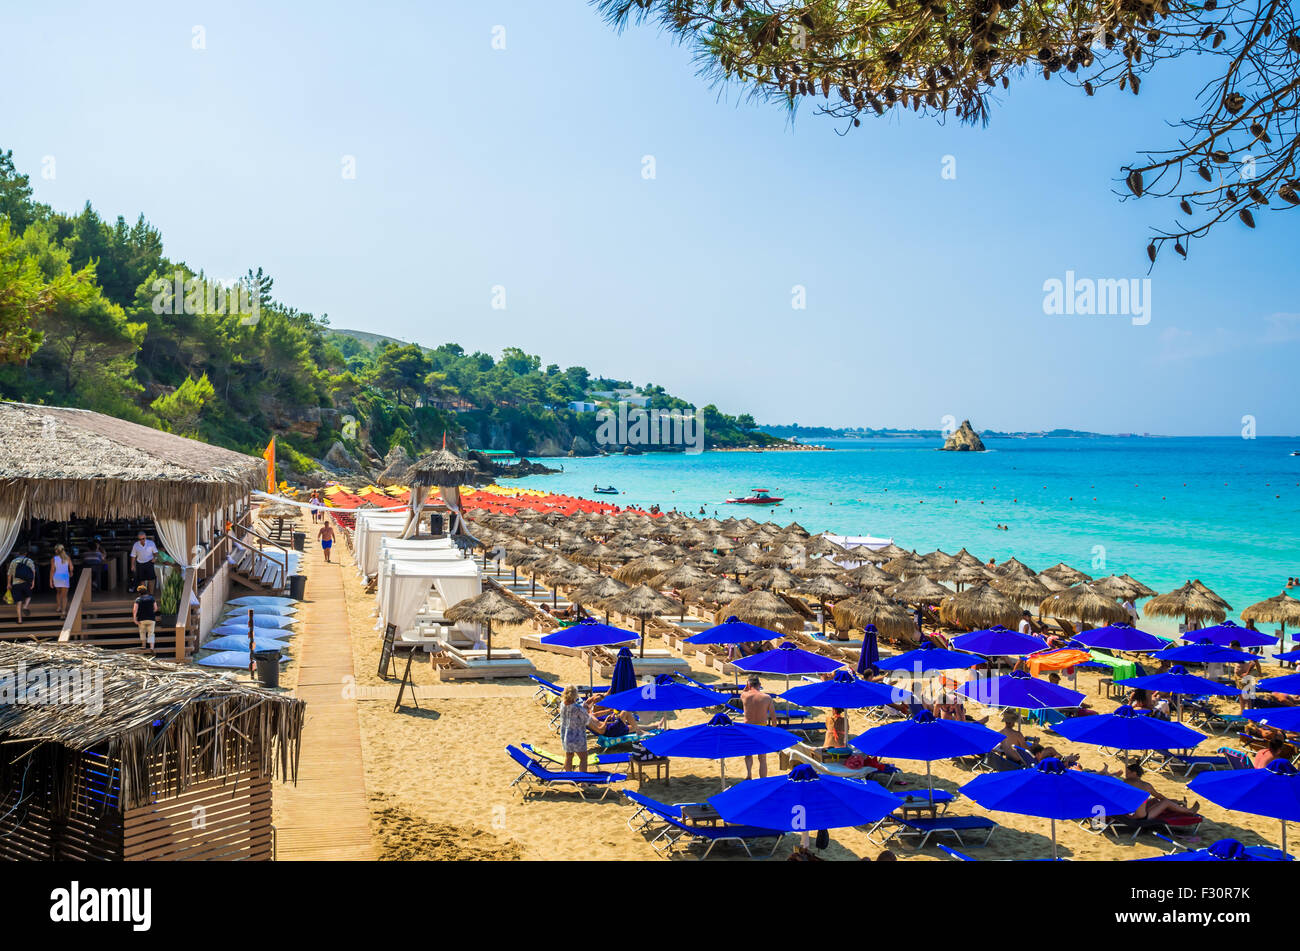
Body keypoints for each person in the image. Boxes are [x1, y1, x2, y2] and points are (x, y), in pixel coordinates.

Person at [1105, 762, 1200, 821]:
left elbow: (1107, 778)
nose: (1126, 774)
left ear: (1134, 773)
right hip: (1140, 816)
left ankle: (1179, 804)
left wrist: (1115, 773)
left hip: (1127, 812)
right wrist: (1171, 801)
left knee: (1155, 801)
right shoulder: (1146, 786)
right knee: (1165, 802)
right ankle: (1189, 811)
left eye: (1128, 772)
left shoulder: (1123, 782)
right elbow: (1161, 797)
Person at [740, 675, 776, 779]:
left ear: (749, 684)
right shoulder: (767, 698)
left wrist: (746, 687)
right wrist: (772, 732)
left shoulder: (744, 695)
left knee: (748, 754)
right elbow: (774, 719)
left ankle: (749, 774)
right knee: (762, 758)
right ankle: (763, 779)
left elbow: (744, 691)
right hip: (762, 729)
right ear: (760, 685)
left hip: (748, 729)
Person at [558, 685, 591, 772]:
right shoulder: (578, 708)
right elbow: (587, 721)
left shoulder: (562, 705)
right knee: (583, 758)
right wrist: (587, 710)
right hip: (578, 737)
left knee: (569, 757)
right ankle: (584, 781)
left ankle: (569, 778)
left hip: (566, 736)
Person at [6, 551, 37, 623]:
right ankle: (25, 606)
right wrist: (33, 582)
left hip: (16, 584)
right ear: (25, 554)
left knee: (18, 602)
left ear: (18, 554)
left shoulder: (13, 561)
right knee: (29, 596)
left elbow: (9, 574)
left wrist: (8, 584)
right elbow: (33, 572)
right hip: (26, 582)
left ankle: (20, 620)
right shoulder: (29, 561)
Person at [133, 583, 157, 652]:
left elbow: (135, 610)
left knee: (142, 632)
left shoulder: (138, 600)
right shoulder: (151, 598)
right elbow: (155, 608)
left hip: (141, 619)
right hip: (151, 619)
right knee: (151, 633)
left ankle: (143, 646)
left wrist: (134, 619)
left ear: (139, 593)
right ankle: (151, 647)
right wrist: (151, 612)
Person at [50, 544, 72, 616]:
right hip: (65, 577)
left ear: (56, 551)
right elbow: (71, 567)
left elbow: (52, 570)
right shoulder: (67, 558)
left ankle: (59, 607)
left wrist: (50, 580)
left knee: (58, 593)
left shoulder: (53, 559)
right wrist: (70, 572)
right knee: (64, 595)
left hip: (57, 577)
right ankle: (63, 611)